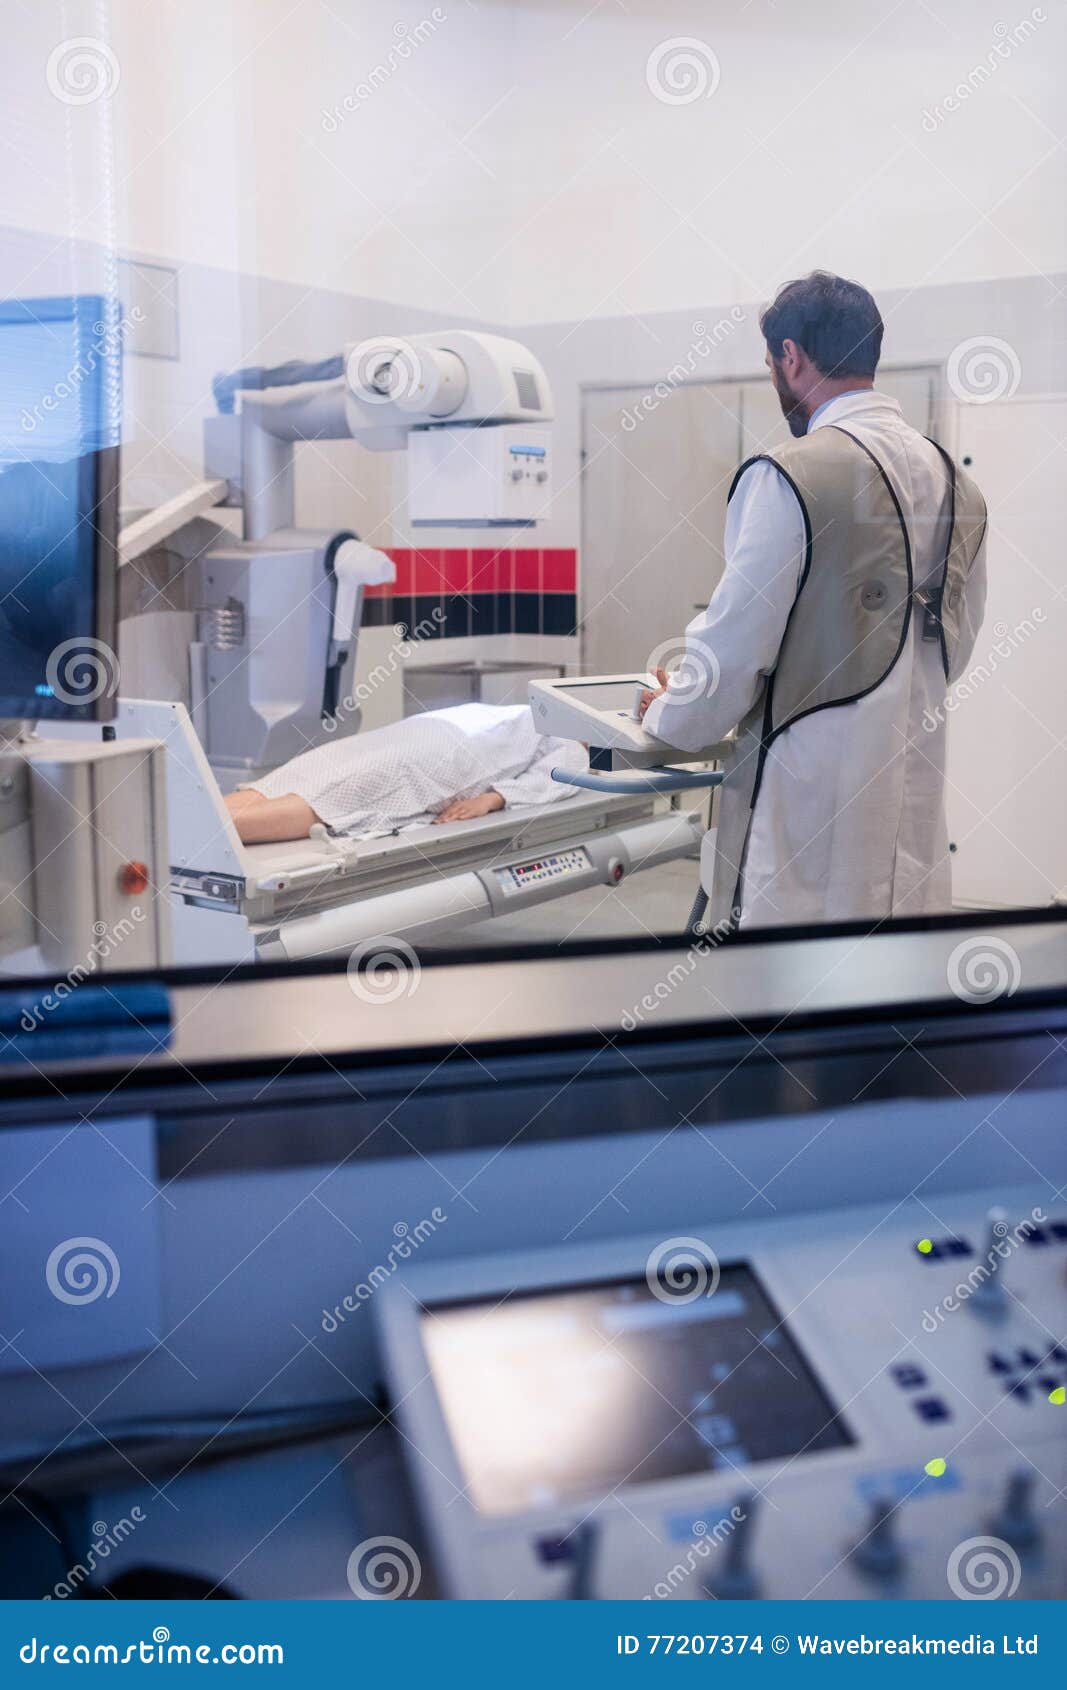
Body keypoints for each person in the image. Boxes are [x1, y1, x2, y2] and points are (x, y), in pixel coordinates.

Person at [639, 270, 987, 931]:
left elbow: (734, 648)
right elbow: (956, 645)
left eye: (771, 361)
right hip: (911, 775)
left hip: (806, 792)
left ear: (789, 357)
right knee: (898, 988)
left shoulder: (790, 474)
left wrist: (670, 715)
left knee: (797, 994)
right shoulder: (955, 485)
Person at [223, 701, 587, 844]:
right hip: (437, 753)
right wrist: (492, 799)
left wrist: (491, 799)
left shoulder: (546, 719)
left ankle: (191, 821)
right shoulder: (569, 737)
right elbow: (557, 777)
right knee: (340, 792)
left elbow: (556, 775)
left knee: (322, 774)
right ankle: (204, 830)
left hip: (424, 735)